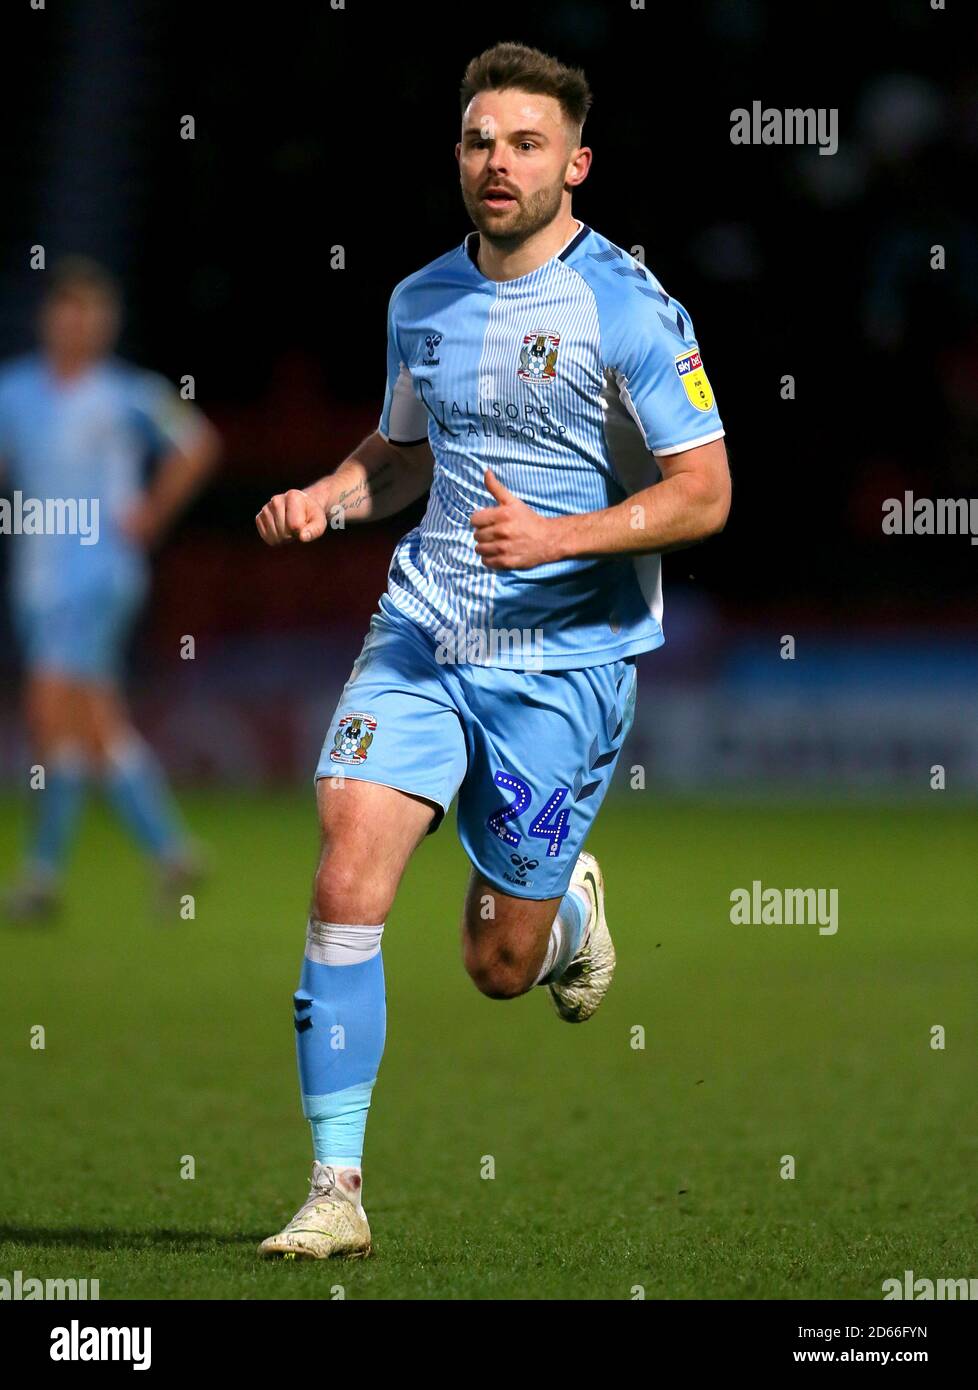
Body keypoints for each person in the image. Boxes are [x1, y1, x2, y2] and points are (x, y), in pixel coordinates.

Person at [254, 41, 730, 1259]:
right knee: (345, 866)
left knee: (497, 967)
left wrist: (562, 534)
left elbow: (706, 491)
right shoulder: (419, 298)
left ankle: (562, 900)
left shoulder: (628, 305)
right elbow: (403, 456)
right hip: (421, 629)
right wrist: (329, 494)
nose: (497, 162)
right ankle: (335, 1188)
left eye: (525, 142)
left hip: (563, 663)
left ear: (577, 161)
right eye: (478, 140)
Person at [0, 256, 221, 919]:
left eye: (91, 313)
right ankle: (164, 855)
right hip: (36, 579)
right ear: (49, 318)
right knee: (86, 726)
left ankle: (49, 875)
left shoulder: (127, 392)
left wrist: (149, 513)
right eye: (68, 310)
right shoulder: (15, 392)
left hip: (99, 576)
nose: (79, 324)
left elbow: (199, 442)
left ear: (106, 323)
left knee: (52, 712)